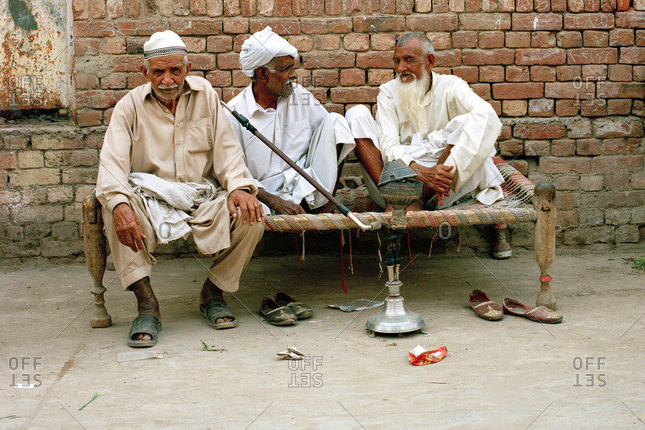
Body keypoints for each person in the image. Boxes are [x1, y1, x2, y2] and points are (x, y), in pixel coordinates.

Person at [96, 30, 264, 348]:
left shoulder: (206, 97)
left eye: (175, 70)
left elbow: (227, 153)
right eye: (158, 71)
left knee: (251, 212)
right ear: (145, 73)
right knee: (114, 207)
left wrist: (239, 187)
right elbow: (111, 164)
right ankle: (147, 304)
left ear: (188, 69)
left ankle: (213, 292)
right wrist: (119, 205)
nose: (167, 79)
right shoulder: (128, 107)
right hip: (150, 198)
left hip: (201, 195)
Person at [345, 32, 504, 211]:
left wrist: (436, 174)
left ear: (429, 61)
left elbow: (487, 115)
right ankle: (397, 200)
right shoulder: (388, 92)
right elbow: (389, 145)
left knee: (472, 121)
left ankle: (418, 201)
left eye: (408, 60)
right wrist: (421, 172)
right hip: (395, 181)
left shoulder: (452, 86)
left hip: (443, 185)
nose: (400, 68)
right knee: (355, 114)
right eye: (397, 61)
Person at [227, 26, 355, 217]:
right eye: (286, 69)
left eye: (292, 67)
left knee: (335, 121)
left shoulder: (299, 95)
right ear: (262, 74)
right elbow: (236, 174)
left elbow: (333, 139)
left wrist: (330, 196)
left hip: (306, 191)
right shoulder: (233, 114)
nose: (293, 75)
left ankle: (324, 202)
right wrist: (276, 202)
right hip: (265, 199)